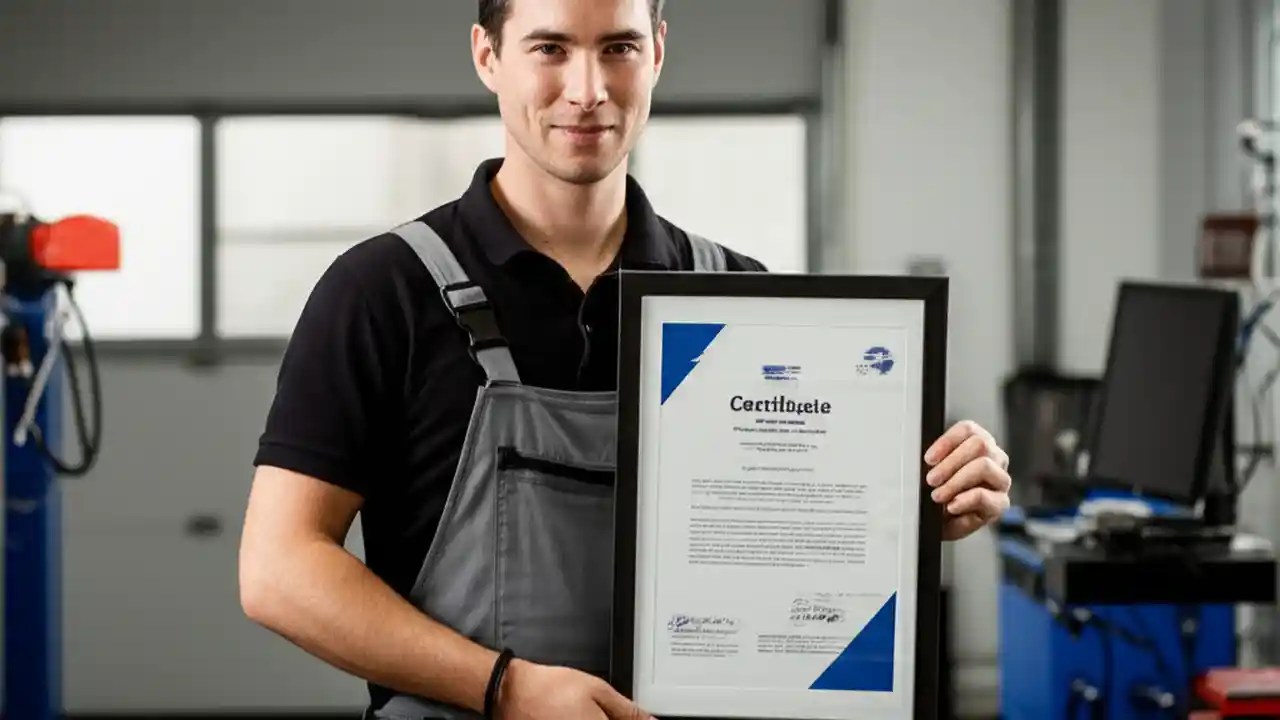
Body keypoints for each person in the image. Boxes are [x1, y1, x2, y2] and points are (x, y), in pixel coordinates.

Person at [238, 0, 1013, 718]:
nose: (588, 90)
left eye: (619, 48)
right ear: (487, 55)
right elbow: (279, 569)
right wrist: (506, 689)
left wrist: (918, 511)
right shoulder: (382, 291)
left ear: (658, 52)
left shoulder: (736, 297)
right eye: (550, 49)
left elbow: (788, 537)